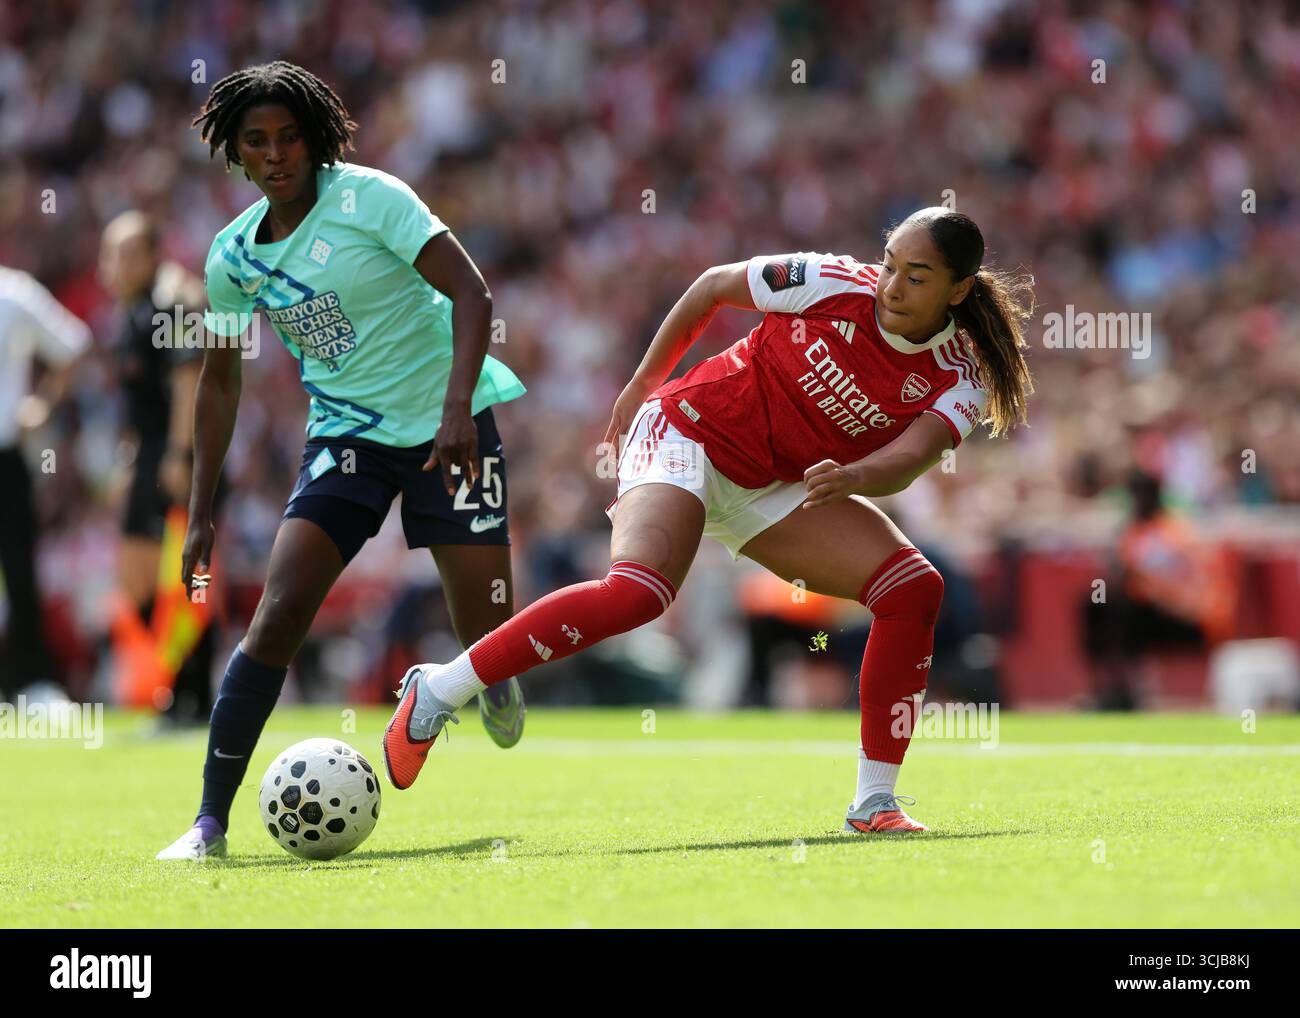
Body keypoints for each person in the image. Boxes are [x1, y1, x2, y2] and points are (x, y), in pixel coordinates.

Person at [384, 208, 1034, 834]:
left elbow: (914, 455)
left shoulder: (961, 373)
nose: (891, 285)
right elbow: (711, 288)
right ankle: (438, 691)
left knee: (913, 589)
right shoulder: (831, 281)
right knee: (640, 591)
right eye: (890, 264)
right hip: (686, 432)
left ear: (959, 290)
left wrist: (857, 478)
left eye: (916, 276)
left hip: (778, 484)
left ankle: (874, 803)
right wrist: (643, 382)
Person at [157, 61, 527, 861]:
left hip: (445, 425)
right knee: (279, 612)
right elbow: (219, 383)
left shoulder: (373, 198)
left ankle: (490, 680)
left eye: (290, 136)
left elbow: (472, 293)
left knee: (486, 628)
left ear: (314, 138)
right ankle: (208, 824)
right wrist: (201, 508)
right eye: (257, 142)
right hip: (347, 437)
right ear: (237, 155)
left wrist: (460, 409)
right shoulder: (231, 258)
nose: (276, 154)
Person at [99, 211, 219, 726]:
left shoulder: (174, 301)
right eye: (111, 255)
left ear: (152, 254)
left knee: (186, 577)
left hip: (178, 455)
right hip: (150, 456)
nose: (116, 266)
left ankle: (193, 694)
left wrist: (178, 454)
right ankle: (181, 689)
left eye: (127, 254)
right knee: (143, 583)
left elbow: (189, 379)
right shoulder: (132, 312)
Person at [0, 265, 91, 701]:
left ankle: (28, 681)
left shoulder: (13, 292)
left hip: (5, 456)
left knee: (19, 569)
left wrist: (42, 404)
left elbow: (72, 344)